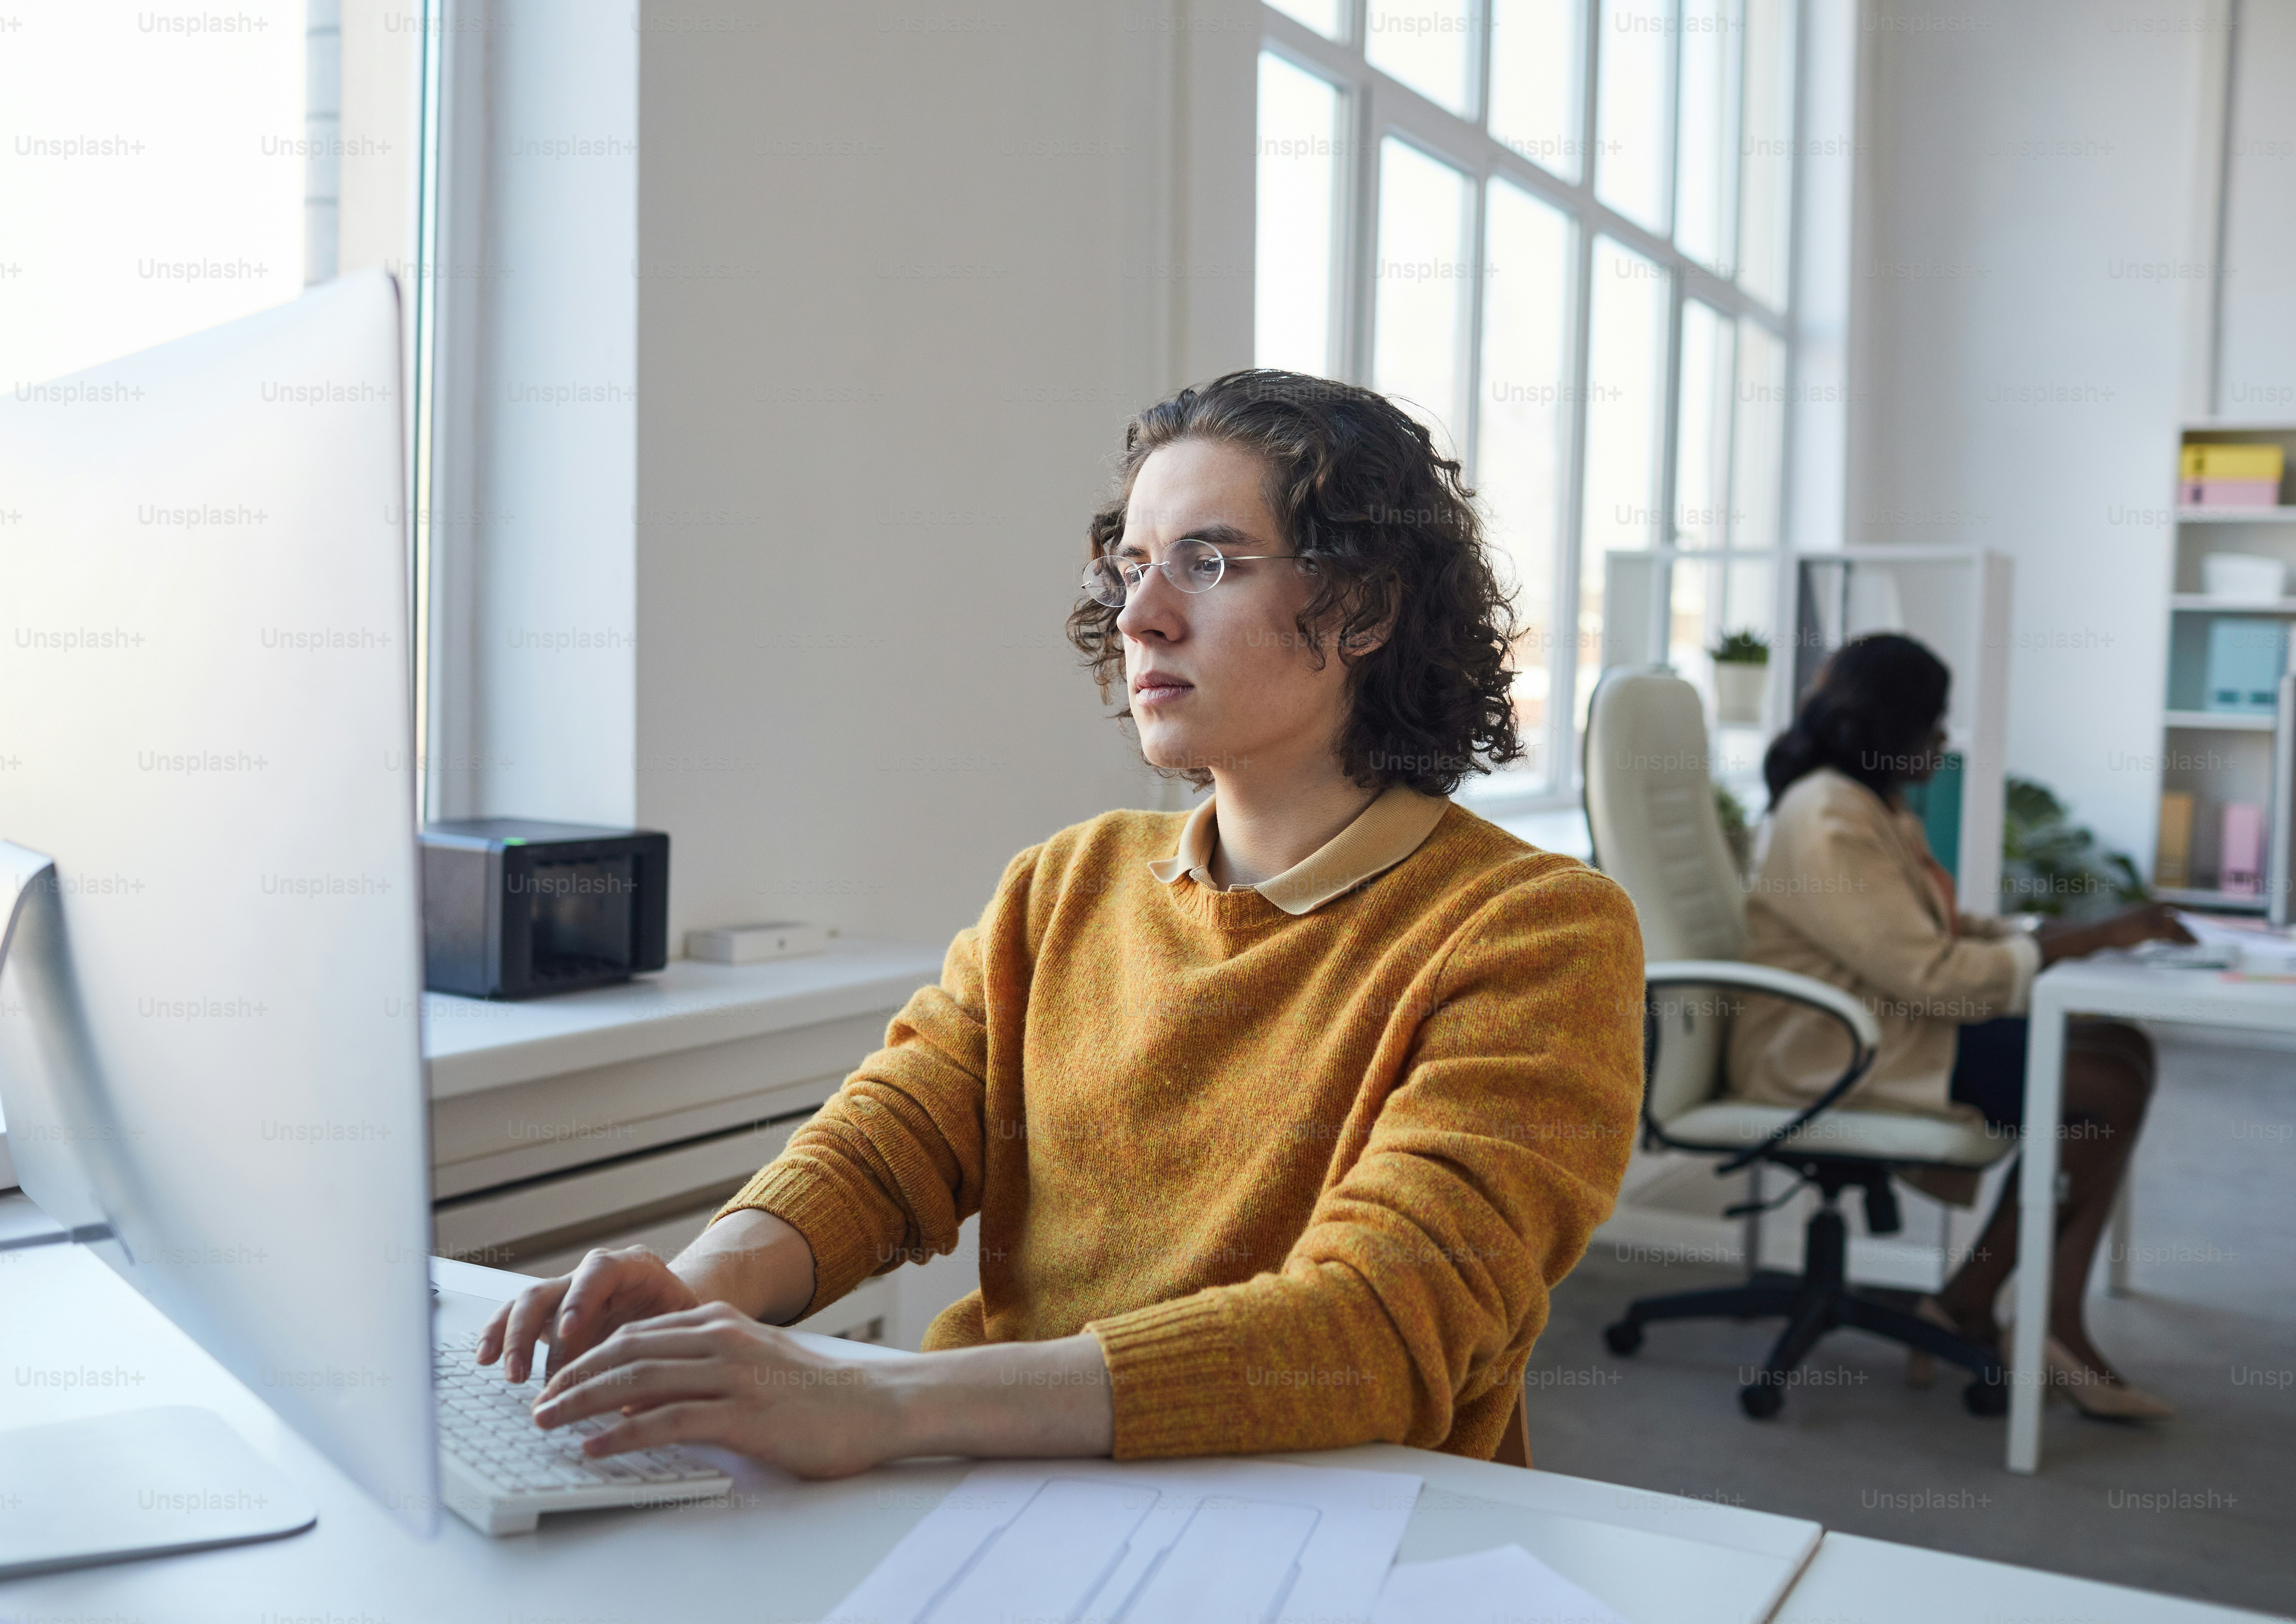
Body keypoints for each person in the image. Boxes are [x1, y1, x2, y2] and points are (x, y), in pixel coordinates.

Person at [475, 369, 1646, 1476]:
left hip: (1314, 1533)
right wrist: (703, 1286)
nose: (1143, 616)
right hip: (1006, 1487)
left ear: (1366, 607)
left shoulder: (1536, 933)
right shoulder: (1069, 881)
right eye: (1132, 566)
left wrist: (878, 1405)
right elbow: (891, 1145)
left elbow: (1378, 1330)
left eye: (1211, 561)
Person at [1729, 633, 2190, 1418]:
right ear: (1891, 726)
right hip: (1834, 1050)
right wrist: (2089, 938)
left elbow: (1932, 928)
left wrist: (2064, 929)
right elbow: (1930, 974)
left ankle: (1999, 1306)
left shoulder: (1868, 803)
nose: (1942, 743)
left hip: (1886, 1025)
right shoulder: (1829, 814)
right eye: (1934, 724)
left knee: (2123, 1050)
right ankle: (2015, 1312)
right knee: (2105, 1084)